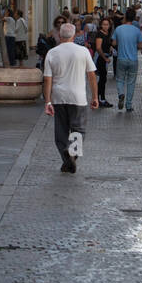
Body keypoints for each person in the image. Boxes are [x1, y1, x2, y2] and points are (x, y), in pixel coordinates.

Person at [43, 21, 99, 172]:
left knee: (61, 130)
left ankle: (67, 159)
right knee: (78, 129)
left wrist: (47, 100)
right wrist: (95, 96)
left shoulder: (52, 53)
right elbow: (91, 75)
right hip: (78, 97)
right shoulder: (83, 51)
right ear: (74, 36)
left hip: (59, 97)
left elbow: (47, 79)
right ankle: (72, 155)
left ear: (60, 35)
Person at [112, 6, 142, 111]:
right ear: (133, 18)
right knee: (131, 82)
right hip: (133, 59)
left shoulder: (118, 29)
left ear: (125, 17)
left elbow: (114, 42)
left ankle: (121, 94)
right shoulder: (137, 30)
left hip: (121, 58)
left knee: (120, 79)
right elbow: (140, 45)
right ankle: (129, 105)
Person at [93, 16, 115, 107]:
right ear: (101, 25)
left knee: (103, 79)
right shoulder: (100, 34)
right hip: (100, 58)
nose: (105, 26)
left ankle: (100, 98)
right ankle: (100, 99)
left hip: (105, 57)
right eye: (104, 25)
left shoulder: (107, 34)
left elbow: (109, 44)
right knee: (102, 79)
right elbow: (98, 48)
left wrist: (111, 47)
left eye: (107, 25)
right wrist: (105, 58)